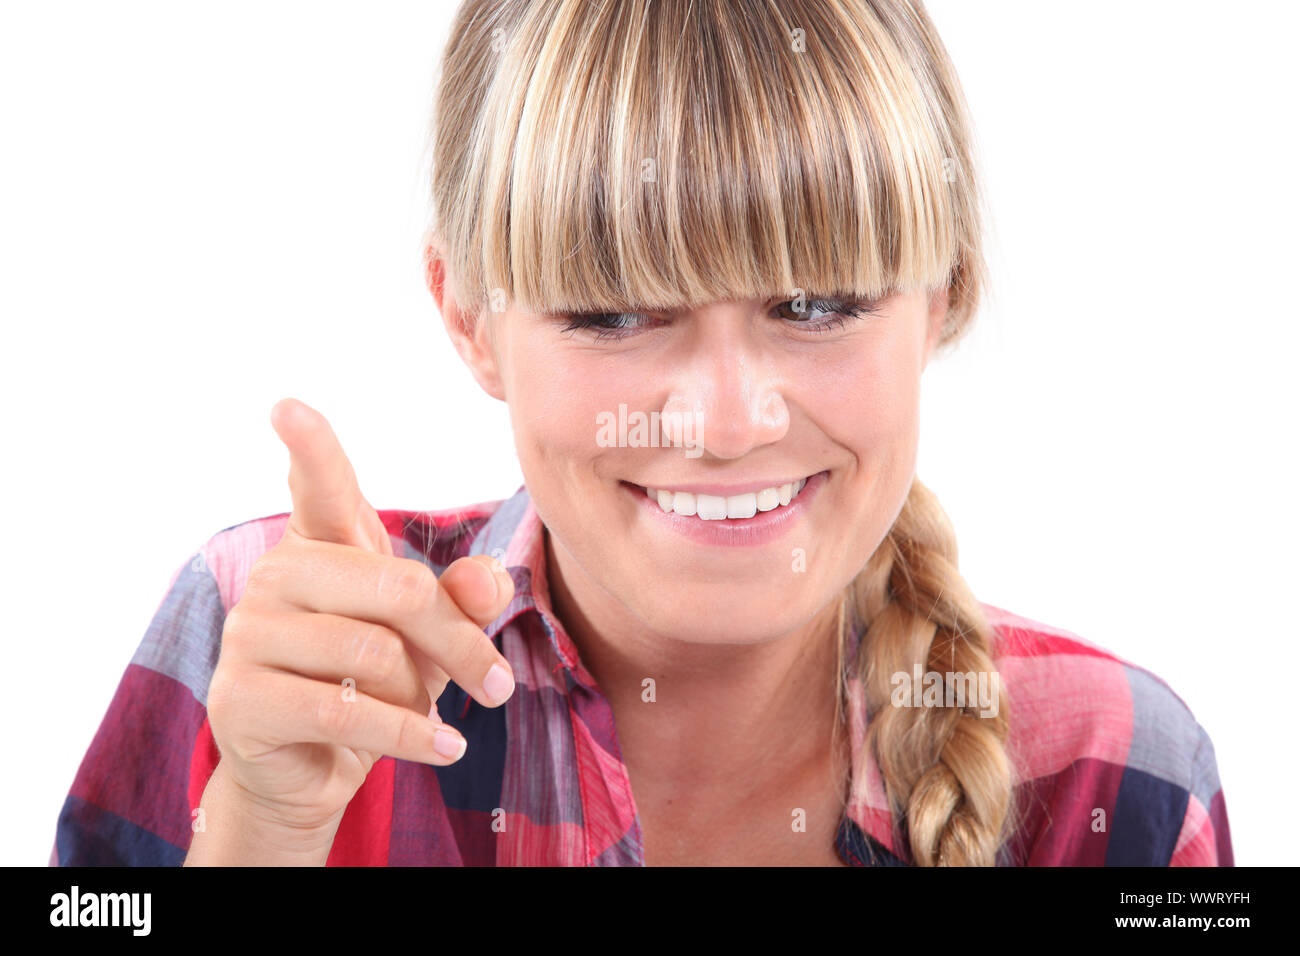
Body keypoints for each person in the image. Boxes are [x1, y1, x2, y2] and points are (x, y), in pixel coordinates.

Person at [51, 0, 1231, 866]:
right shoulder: (272, 638)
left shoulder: (1118, 775)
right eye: (613, 311)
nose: (725, 423)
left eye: (816, 305)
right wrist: (259, 831)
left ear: (945, 296)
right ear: (468, 317)